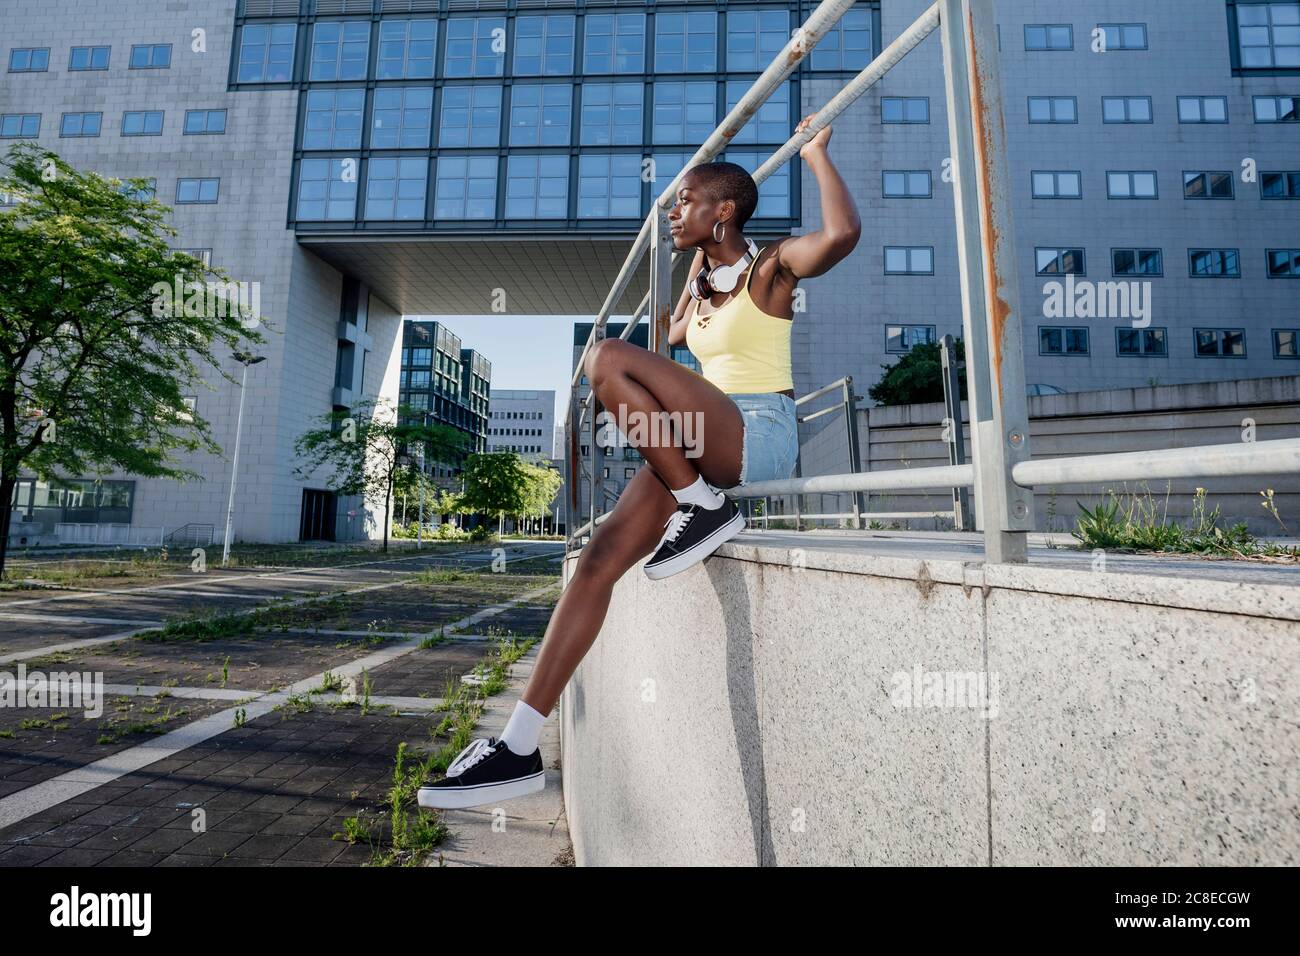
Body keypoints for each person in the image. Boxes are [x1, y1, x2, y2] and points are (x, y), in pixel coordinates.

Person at [419, 114, 861, 809]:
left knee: (603, 356)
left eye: (685, 201)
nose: (672, 210)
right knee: (598, 561)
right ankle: (518, 749)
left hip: (757, 430)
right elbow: (669, 338)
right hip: (699, 441)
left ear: (724, 211)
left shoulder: (771, 269)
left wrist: (815, 155)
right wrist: (694, 267)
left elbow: (841, 235)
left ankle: (704, 508)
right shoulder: (706, 288)